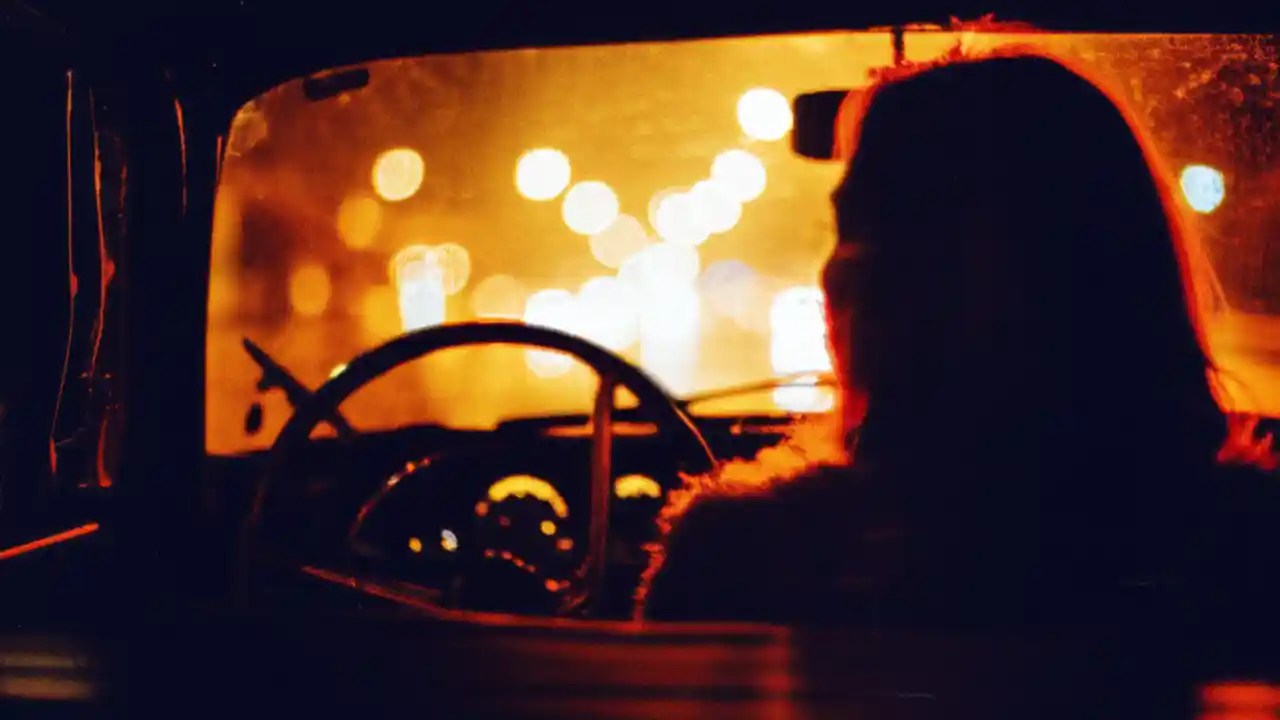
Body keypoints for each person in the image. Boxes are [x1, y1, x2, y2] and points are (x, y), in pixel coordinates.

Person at [637, 48, 1279, 635]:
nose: (831, 270)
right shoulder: (1250, 548)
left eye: (855, 231)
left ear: (897, 291)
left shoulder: (746, 559)